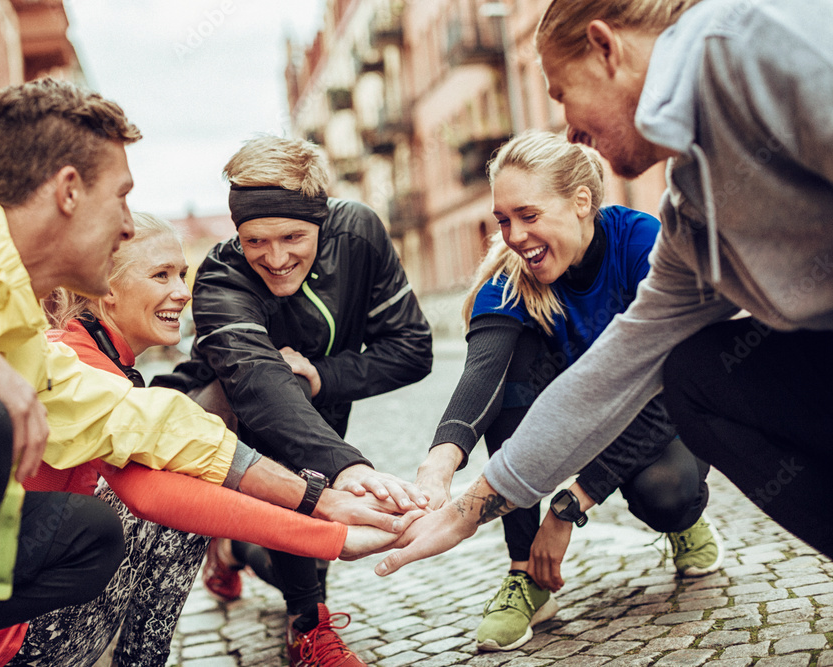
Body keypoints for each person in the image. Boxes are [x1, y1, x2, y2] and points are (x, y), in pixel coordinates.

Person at [0, 78, 396, 664]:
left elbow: (137, 422)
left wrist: (322, 504)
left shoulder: (16, 321)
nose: (128, 225)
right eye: (121, 197)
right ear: (69, 191)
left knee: (86, 534)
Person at [372, 0, 833, 576]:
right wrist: (466, 509)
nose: (569, 129)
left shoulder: (754, 47)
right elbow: (619, 366)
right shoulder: (691, 205)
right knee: (698, 374)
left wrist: (570, 502)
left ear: (606, 48)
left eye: (562, 93)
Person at [0, 213, 405, 666]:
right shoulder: (80, 362)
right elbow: (154, 496)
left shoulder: (95, 355)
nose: (182, 293)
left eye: (181, 274)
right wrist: (330, 534)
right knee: (180, 498)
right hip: (6, 647)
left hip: (12, 622)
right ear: (106, 292)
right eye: (161, 275)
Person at [415, 130, 721, 652]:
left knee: (666, 494)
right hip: (574, 425)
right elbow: (482, 374)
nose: (514, 235)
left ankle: (686, 519)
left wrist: (570, 504)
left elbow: (679, 388)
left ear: (582, 202)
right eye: (504, 220)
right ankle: (525, 577)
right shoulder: (512, 276)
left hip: (658, 412)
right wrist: (439, 464)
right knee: (516, 367)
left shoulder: (642, 245)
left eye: (528, 215)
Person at [156, 135, 434, 666]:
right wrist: (346, 467)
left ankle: (236, 547)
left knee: (309, 548)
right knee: (305, 558)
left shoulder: (359, 235)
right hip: (225, 409)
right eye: (256, 240)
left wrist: (323, 377)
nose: (276, 258)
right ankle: (307, 625)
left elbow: (413, 349)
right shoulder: (220, 277)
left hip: (317, 412)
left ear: (322, 220)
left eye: (292, 237)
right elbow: (260, 387)